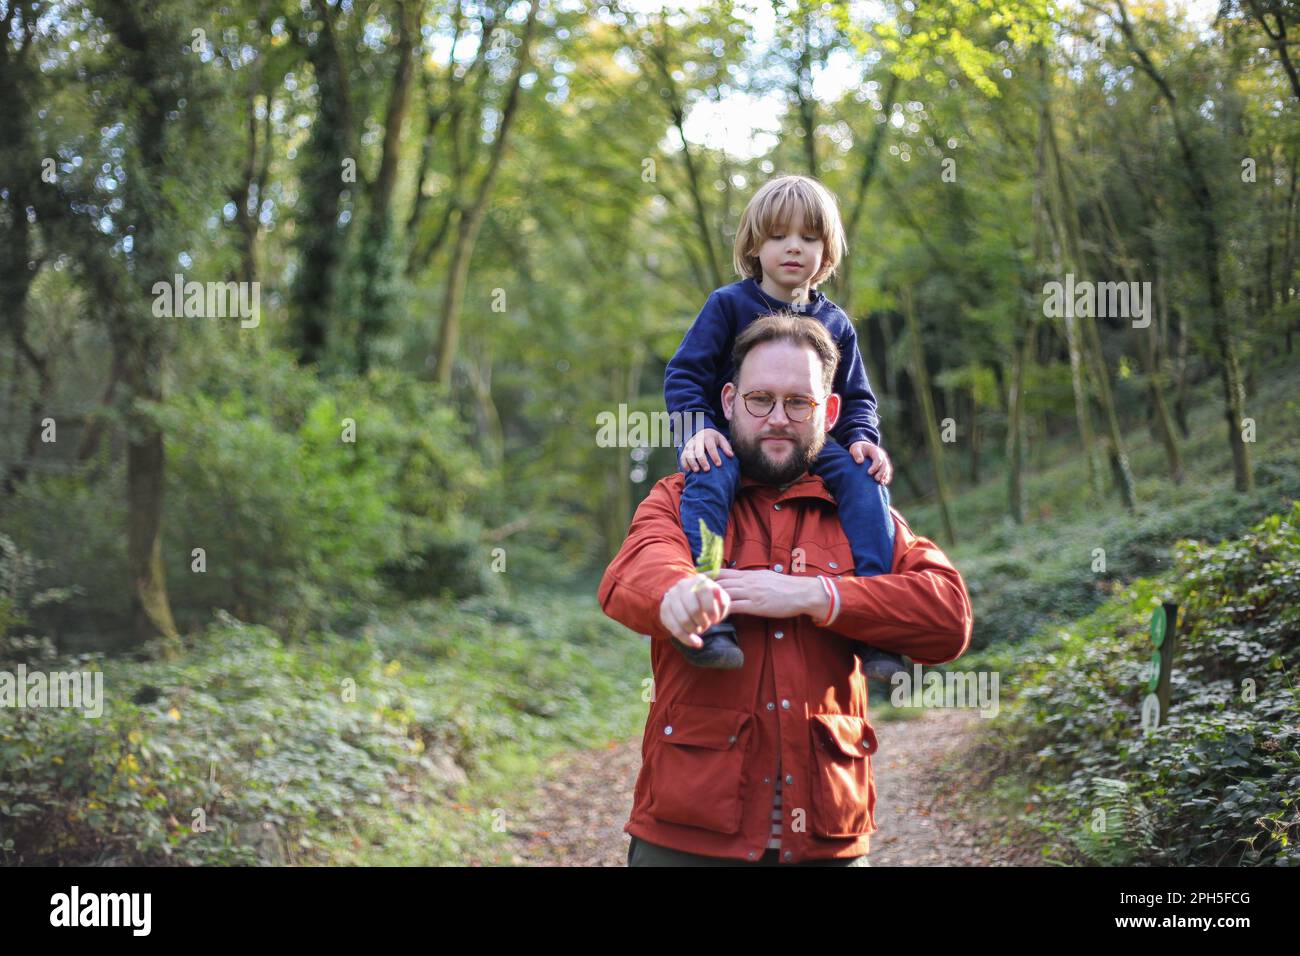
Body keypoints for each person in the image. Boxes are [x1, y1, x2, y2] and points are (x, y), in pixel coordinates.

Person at [598, 313, 973, 865]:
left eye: (798, 403)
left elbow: (948, 617)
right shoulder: (678, 496)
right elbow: (633, 572)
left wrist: (815, 596)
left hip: (826, 837)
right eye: (759, 400)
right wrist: (676, 594)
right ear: (727, 401)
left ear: (831, 410)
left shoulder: (864, 512)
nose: (778, 419)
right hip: (687, 836)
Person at [664, 173, 905, 683]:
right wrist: (697, 430)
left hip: (813, 444)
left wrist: (863, 440)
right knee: (710, 479)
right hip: (735, 437)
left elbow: (858, 398)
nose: (793, 248)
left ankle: (875, 621)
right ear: (755, 244)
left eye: (809, 238)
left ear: (828, 249)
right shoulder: (728, 305)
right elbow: (685, 373)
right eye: (778, 236)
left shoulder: (837, 323)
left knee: (866, 484)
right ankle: (711, 612)